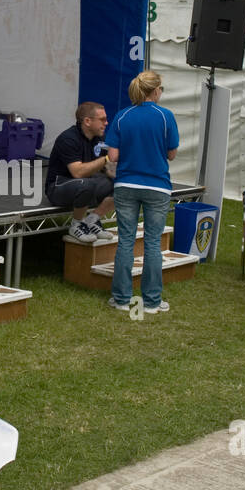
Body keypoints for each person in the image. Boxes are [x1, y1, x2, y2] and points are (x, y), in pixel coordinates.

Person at [106, 70, 179, 314]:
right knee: (152, 243)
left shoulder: (121, 116)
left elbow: (113, 156)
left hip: (126, 184)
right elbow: (171, 153)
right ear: (156, 90)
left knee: (125, 241)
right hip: (157, 185)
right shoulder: (165, 116)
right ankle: (151, 302)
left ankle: (121, 299)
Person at [45, 102, 116, 243]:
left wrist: (124, 174)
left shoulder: (98, 138)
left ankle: (92, 220)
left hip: (84, 184)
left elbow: (107, 169)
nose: (107, 123)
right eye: (102, 119)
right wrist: (107, 158)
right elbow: (77, 172)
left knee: (124, 184)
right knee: (87, 184)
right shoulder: (68, 138)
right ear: (87, 121)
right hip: (58, 187)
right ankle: (76, 224)